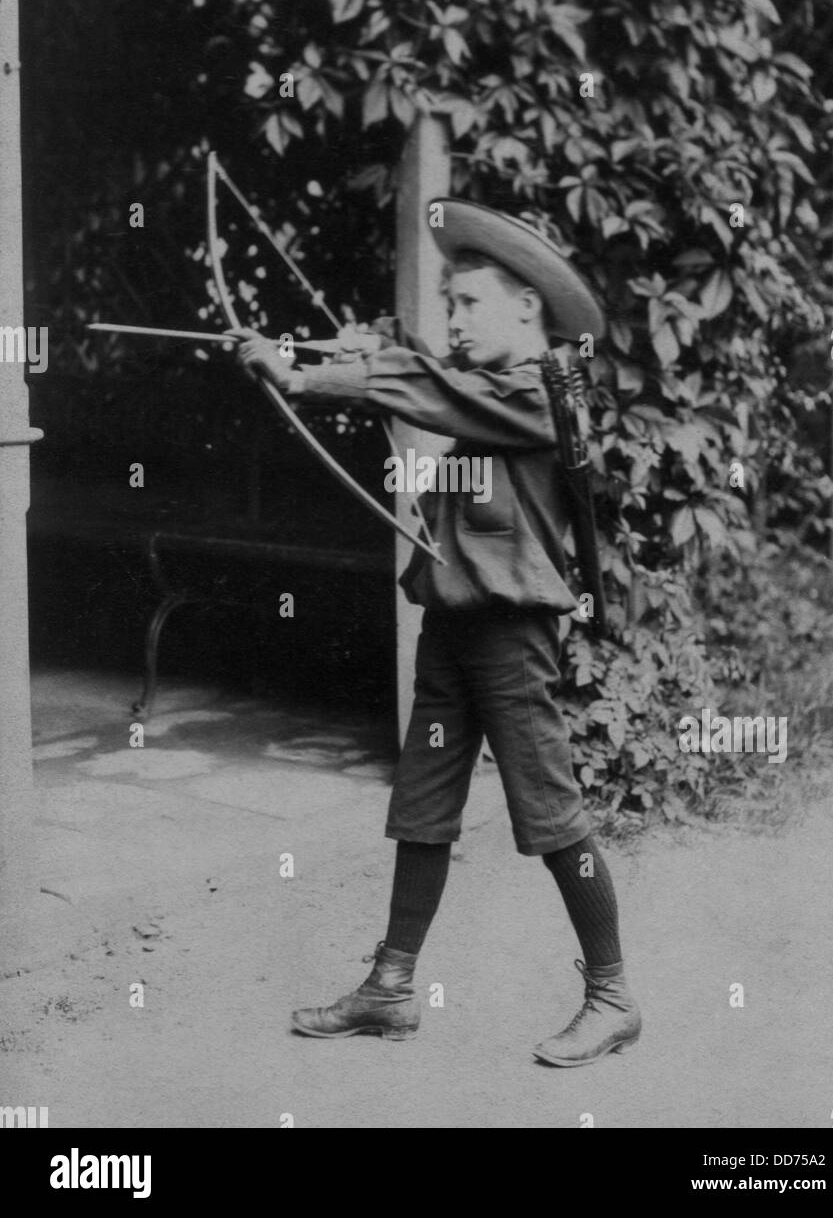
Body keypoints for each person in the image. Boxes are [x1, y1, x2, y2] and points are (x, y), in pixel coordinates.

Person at [233, 198, 641, 1066]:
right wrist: (350, 355)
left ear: (527, 309)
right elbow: (432, 386)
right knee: (423, 806)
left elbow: (434, 391)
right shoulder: (484, 390)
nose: (452, 319)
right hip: (452, 628)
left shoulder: (537, 397)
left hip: (510, 637)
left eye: (468, 304)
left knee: (550, 814)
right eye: (448, 304)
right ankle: (389, 988)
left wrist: (302, 376)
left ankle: (611, 997)